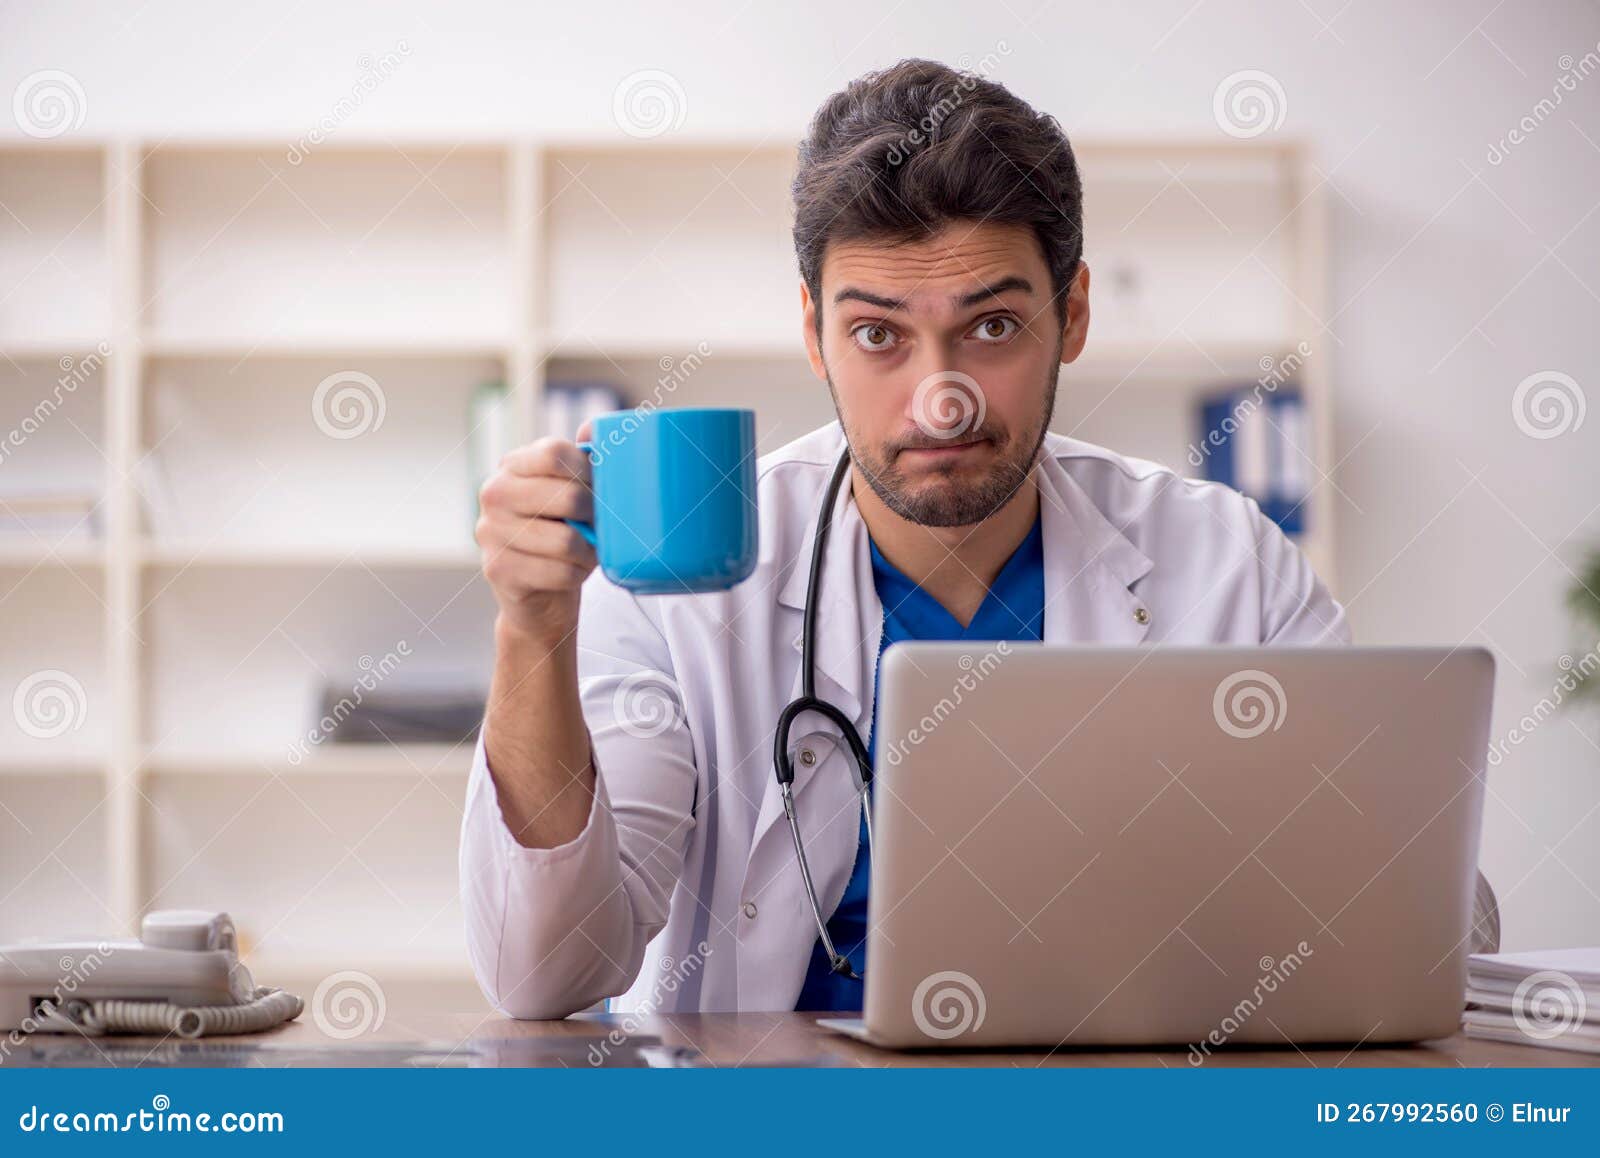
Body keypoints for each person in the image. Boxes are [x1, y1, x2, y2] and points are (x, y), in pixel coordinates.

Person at [460, 57, 1361, 1018]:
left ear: (1074, 315)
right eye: (880, 336)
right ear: (815, 333)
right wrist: (531, 628)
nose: (941, 396)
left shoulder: (1230, 562)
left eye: (993, 325)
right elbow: (543, 973)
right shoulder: (675, 573)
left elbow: (1407, 919)